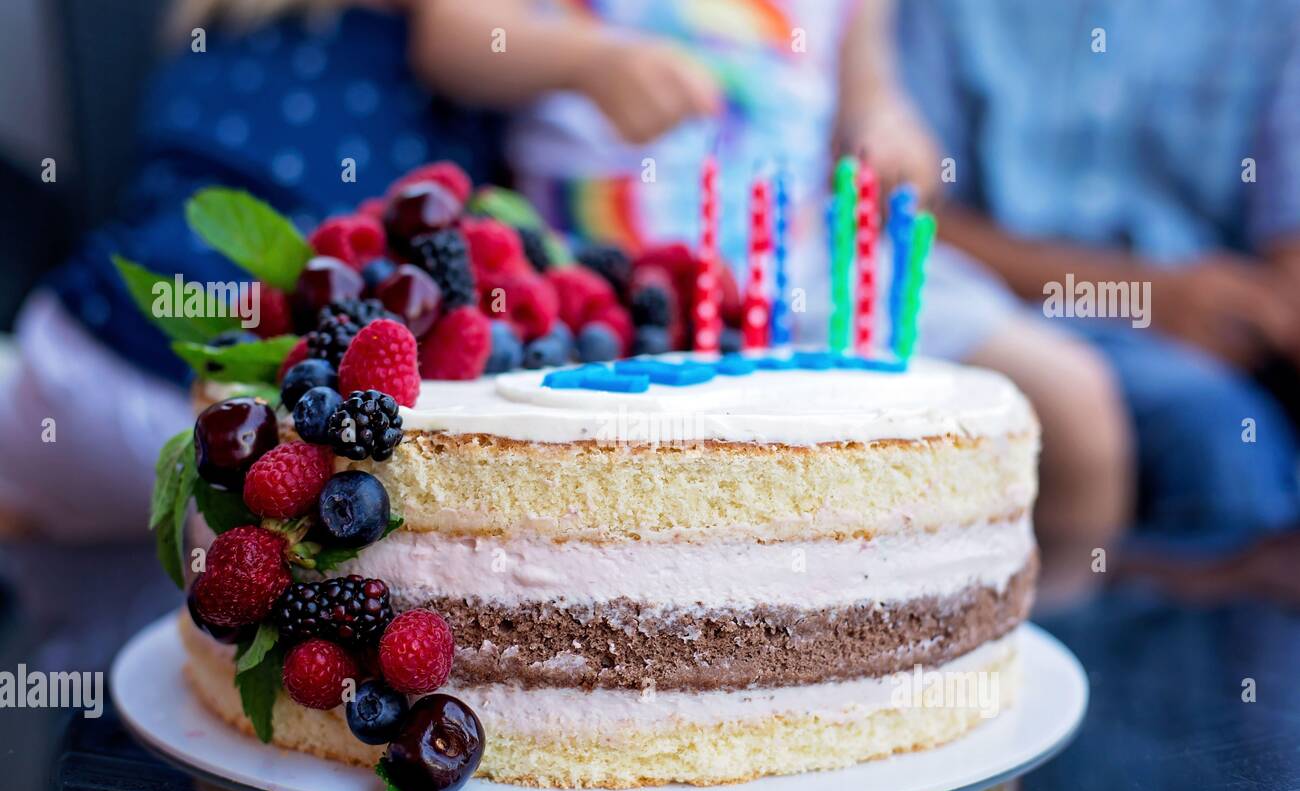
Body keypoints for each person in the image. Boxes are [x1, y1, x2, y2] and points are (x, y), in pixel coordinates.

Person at [409, 0, 1132, 604]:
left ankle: (1014, 651)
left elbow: (873, 92)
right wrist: (588, 61)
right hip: (618, 288)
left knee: (1078, 402)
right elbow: (453, 35)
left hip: (815, 270)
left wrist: (890, 133)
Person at [0, 0, 503, 539]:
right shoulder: (435, 42)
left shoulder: (224, 27)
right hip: (218, 411)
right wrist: (595, 64)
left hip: (71, 345)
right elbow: (467, 38)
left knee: (81, 559)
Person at [897, 0, 1300, 603]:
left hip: (1217, 343)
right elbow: (909, 215)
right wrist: (1141, 296)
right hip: (994, 306)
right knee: (1213, 437)